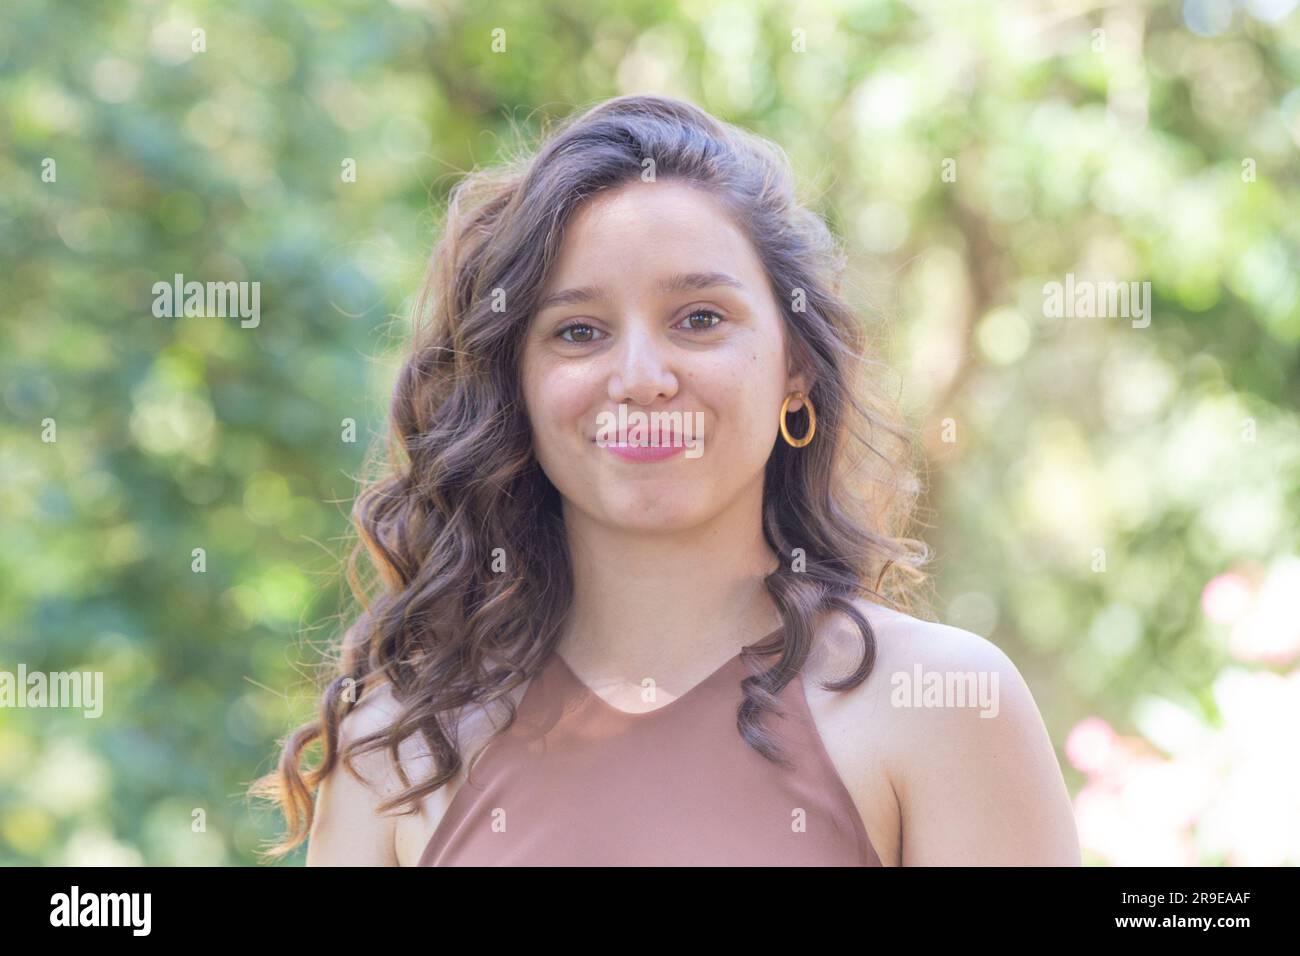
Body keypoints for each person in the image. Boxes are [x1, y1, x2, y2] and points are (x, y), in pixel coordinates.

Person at [252, 94, 1080, 866]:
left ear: (795, 370)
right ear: (519, 390)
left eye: (699, 319)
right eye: (578, 331)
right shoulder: (399, 746)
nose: (641, 377)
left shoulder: (942, 704)